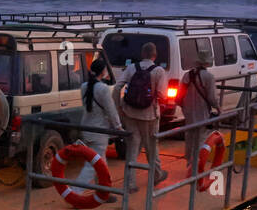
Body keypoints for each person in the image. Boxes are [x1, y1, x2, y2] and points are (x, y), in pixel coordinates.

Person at [117, 44, 170, 191]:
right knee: (151, 147)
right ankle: (157, 175)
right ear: (155, 55)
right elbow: (162, 95)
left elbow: (117, 87)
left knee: (132, 148)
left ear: (142, 53)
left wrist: (119, 107)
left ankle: (130, 183)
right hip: (149, 115)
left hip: (130, 113)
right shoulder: (159, 71)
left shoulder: (131, 68)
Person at [78, 56, 122, 192]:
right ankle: (74, 192)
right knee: (93, 165)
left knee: (100, 162)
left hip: (86, 129)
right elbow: (111, 110)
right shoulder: (103, 89)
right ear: (103, 72)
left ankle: (103, 191)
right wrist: (118, 127)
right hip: (99, 131)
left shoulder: (84, 86)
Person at [179, 51, 220, 177]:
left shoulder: (187, 75)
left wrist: (184, 106)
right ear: (207, 62)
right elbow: (212, 98)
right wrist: (218, 108)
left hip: (188, 112)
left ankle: (189, 164)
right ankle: (195, 168)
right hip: (202, 113)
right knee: (201, 140)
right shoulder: (209, 77)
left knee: (190, 138)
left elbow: (179, 94)